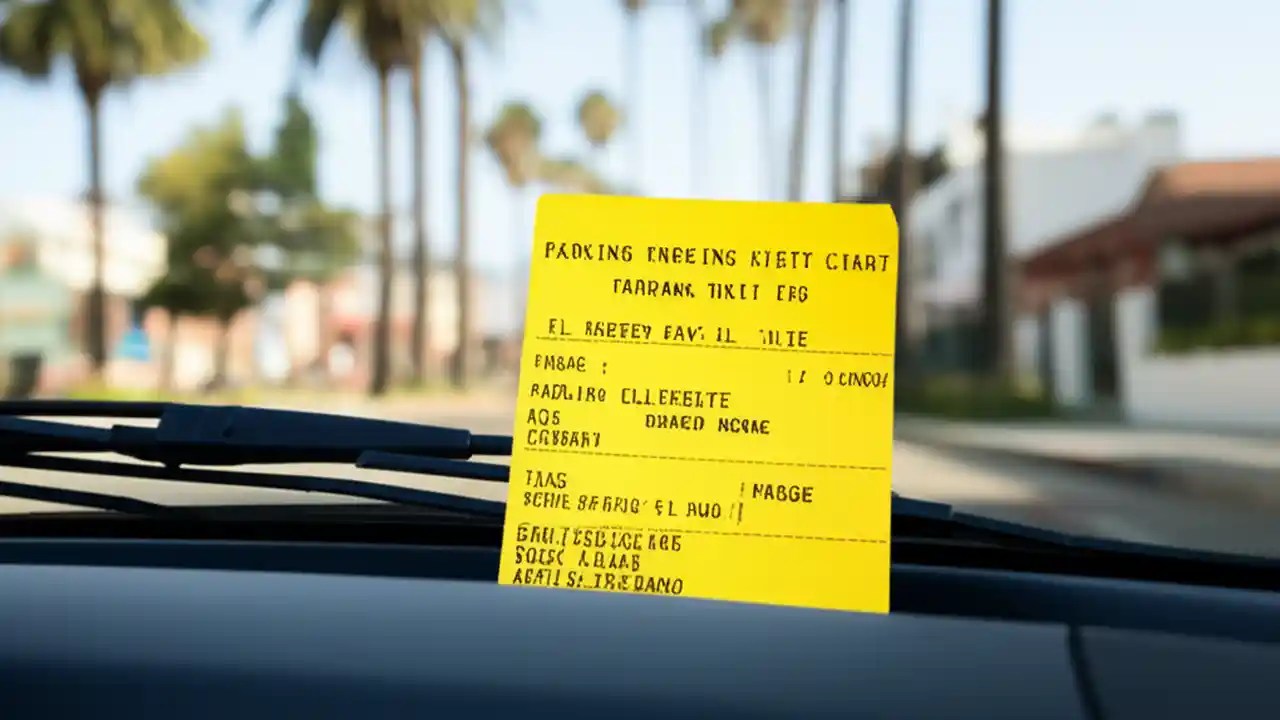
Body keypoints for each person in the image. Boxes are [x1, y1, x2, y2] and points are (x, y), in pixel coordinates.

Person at [0, 237, 71, 399]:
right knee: (14, 399)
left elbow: (60, 310)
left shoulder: (49, 281)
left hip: (43, 351)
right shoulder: (4, 280)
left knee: (44, 401)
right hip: (11, 352)